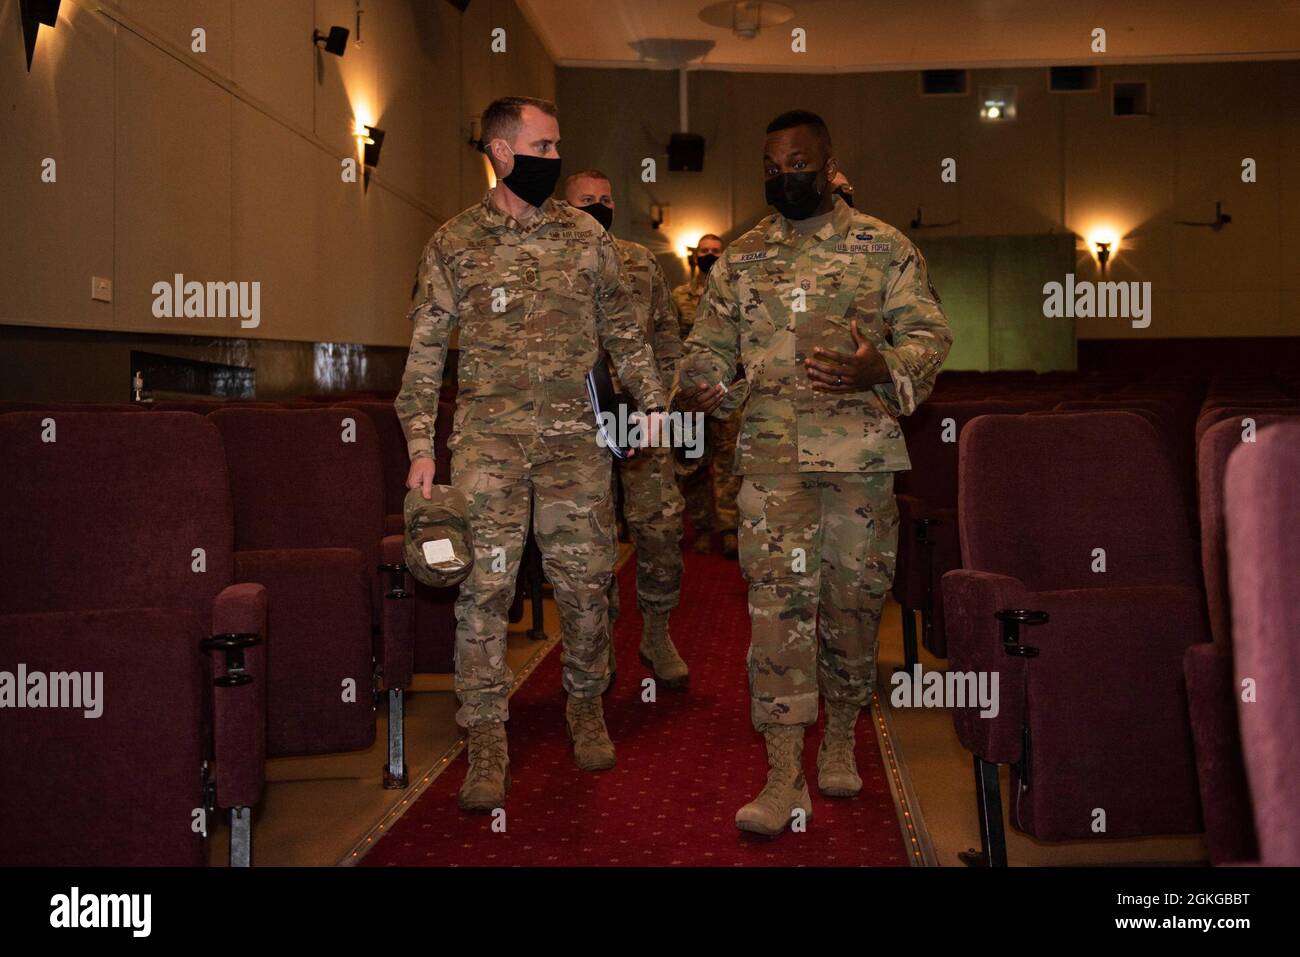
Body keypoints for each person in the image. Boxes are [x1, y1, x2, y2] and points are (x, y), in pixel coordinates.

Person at [675, 109, 953, 836]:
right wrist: (701, 380)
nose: (783, 176)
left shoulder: (882, 246)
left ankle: (839, 737)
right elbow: (706, 344)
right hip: (771, 463)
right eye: (771, 166)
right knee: (778, 613)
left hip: (859, 461)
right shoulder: (740, 258)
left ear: (829, 165)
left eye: (797, 163)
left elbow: (929, 333)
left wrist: (879, 367)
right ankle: (780, 773)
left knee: (856, 607)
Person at [396, 96, 667, 813]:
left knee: (586, 587)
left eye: (556, 147)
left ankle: (585, 703)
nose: (554, 158)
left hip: (578, 444)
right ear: (502, 151)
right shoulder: (453, 243)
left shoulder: (585, 237)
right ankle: (485, 734)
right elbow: (425, 352)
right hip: (488, 446)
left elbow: (625, 333)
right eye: (543, 147)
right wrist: (421, 447)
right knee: (483, 591)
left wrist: (654, 403)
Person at [563, 169, 689, 688]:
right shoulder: (551, 262)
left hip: (641, 415)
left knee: (660, 529)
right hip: (579, 420)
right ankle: (603, 640)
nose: (598, 207)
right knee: (592, 540)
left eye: (606, 199)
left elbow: (666, 338)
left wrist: (667, 406)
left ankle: (656, 632)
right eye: (585, 201)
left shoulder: (640, 261)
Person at [671, 235, 742, 558]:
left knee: (729, 461)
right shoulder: (679, 296)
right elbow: (670, 341)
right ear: (694, 256)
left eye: (716, 251)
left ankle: (729, 529)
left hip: (727, 392)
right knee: (694, 464)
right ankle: (701, 527)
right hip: (691, 396)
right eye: (705, 251)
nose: (710, 256)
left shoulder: (736, 293)